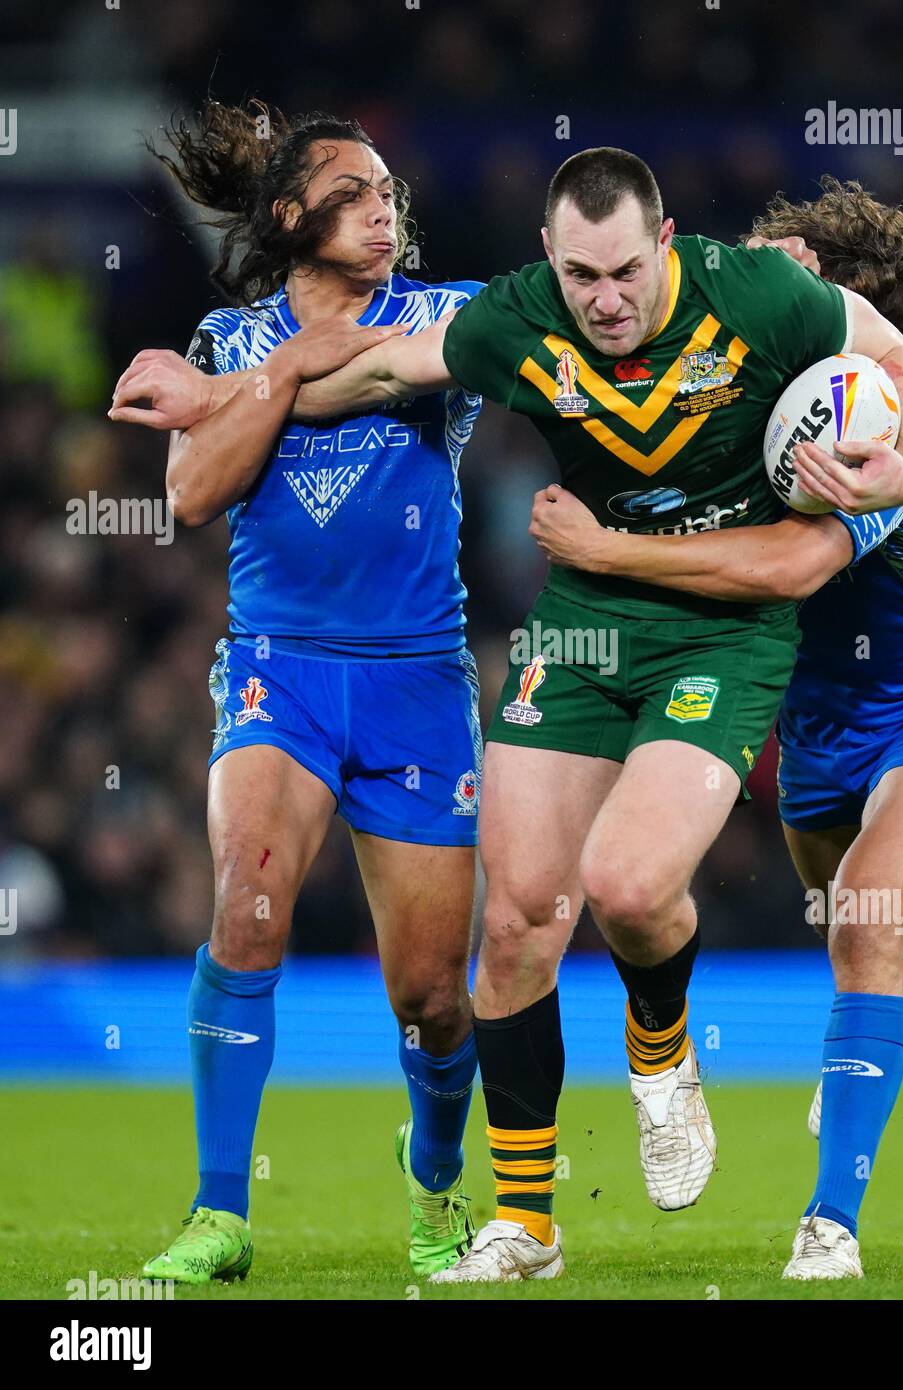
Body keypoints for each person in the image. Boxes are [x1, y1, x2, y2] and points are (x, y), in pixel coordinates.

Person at [113, 148, 903, 1284]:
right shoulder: (465, 321)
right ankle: (486, 1223)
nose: (605, 300)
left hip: (619, 642)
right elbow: (289, 423)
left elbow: (878, 359)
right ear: (551, 258)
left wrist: (902, 466)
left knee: (562, 924)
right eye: (583, 274)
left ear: (664, 244)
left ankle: (610, 1079)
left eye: (627, 272)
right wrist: (215, 393)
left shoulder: (726, 298)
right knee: (475, 927)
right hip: (441, 646)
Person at [527, 177, 903, 1280]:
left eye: (778, 269)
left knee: (862, 918)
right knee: (856, 935)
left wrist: (605, 549)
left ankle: (830, 1226)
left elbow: (798, 564)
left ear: (843, 295)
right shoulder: (738, 419)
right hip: (815, 734)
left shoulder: (863, 411)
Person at [108, 100, 485, 1282]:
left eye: (389, 195)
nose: (384, 211)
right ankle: (221, 1212)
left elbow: (384, 377)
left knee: (430, 996)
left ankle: (432, 1181)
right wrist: (272, 370)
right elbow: (191, 491)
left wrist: (266, 383)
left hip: (420, 679)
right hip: (281, 668)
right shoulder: (231, 337)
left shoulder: (449, 314)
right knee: (244, 908)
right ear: (291, 216)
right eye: (354, 194)